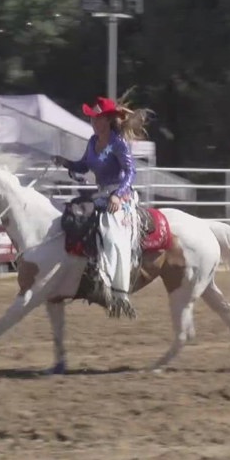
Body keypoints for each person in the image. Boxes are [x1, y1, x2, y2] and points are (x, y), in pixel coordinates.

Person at [52, 96, 153, 318]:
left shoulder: (118, 143)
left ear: (107, 120)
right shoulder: (92, 141)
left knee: (111, 230)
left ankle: (119, 291)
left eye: (97, 119)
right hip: (101, 193)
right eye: (92, 119)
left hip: (120, 194)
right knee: (78, 217)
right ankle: (88, 271)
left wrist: (118, 195)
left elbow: (130, 172)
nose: (93, 123)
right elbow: (83, 164)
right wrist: (66, 162)